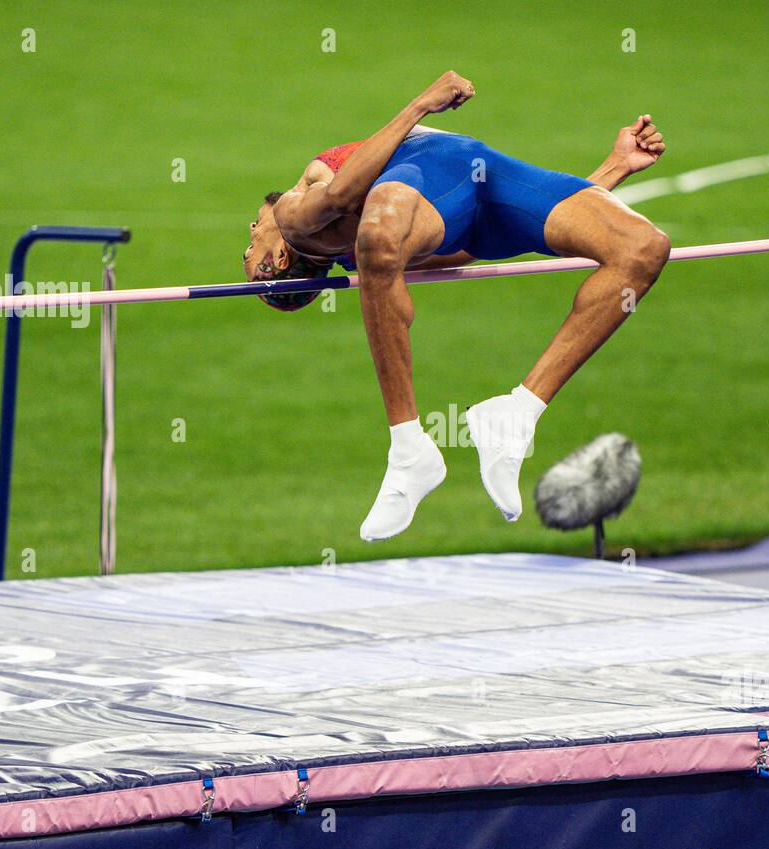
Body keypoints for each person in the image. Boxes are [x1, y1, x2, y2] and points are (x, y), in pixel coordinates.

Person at [243, 71, 669, 541]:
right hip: (448, 175)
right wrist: (420, 104)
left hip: (473, 178)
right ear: (278, 257)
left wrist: (613, 168)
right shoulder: (295, 217)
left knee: (643, 248)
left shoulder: (385, 245)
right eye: (249, 244)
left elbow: (499, 234)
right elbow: (349, 197)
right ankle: (409, 450)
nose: (251, 228)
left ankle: (517, 413)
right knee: (380, 239)